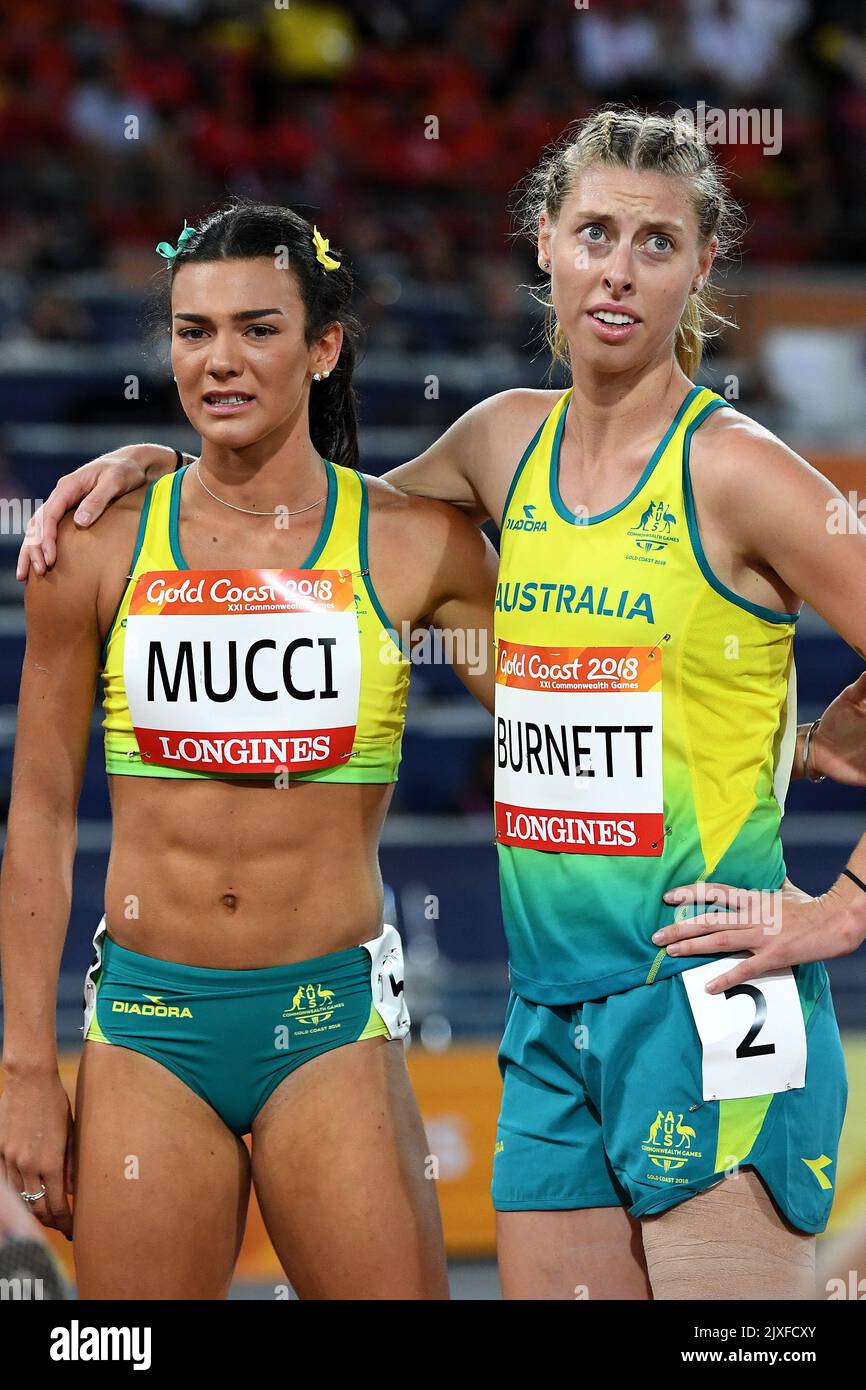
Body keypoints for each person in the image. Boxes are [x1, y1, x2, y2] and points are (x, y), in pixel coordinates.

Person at [16, 108, 866, 1300]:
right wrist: (157, 467)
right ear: (542, 245)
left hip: (707, 991)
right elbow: (309, 525)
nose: (616, 272)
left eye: (655, 244)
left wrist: (840, 907)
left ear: (702, 263)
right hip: (550, 1017)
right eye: (592, 234)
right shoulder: (496, 444)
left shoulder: (736, 467)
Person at [0, 200, 500, 1300]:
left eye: (258, 329)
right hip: (144, 1028)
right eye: (193, 331)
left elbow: (563, 724)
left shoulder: (418, 548)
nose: (219, 360)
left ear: (323, 346)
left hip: (329, 1025)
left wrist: (789, 746)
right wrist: (27, 1063)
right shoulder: (94, 546)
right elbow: (37, 809)